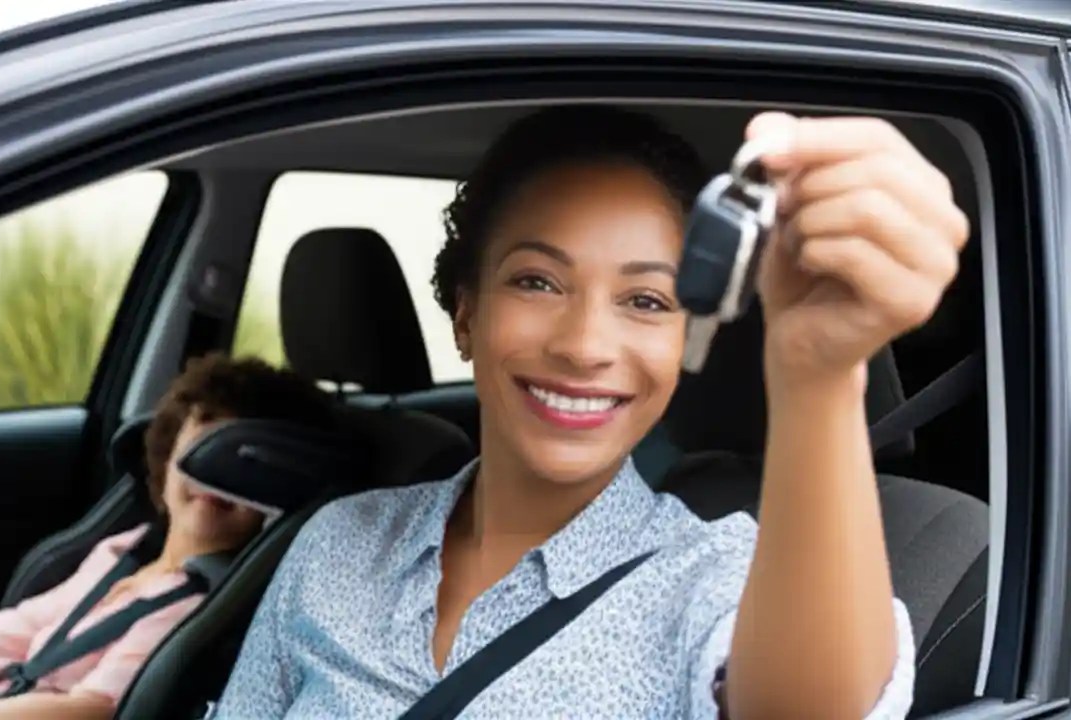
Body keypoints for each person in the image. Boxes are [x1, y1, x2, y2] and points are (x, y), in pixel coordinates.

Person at [211, 106, 970, 719]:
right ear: (465, 314)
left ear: (685, 340)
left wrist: (817, 376)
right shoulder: (338, 544)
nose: (584, 346)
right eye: (538, 282)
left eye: (645, 300)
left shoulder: (710, 579)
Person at [0, 353, 336, 720]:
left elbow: (93, 709)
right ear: (165, 460)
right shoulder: (125, 550)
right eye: (205, 443)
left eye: (243, 466)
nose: (216, 480)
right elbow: (27, 623)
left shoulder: (207, 599)